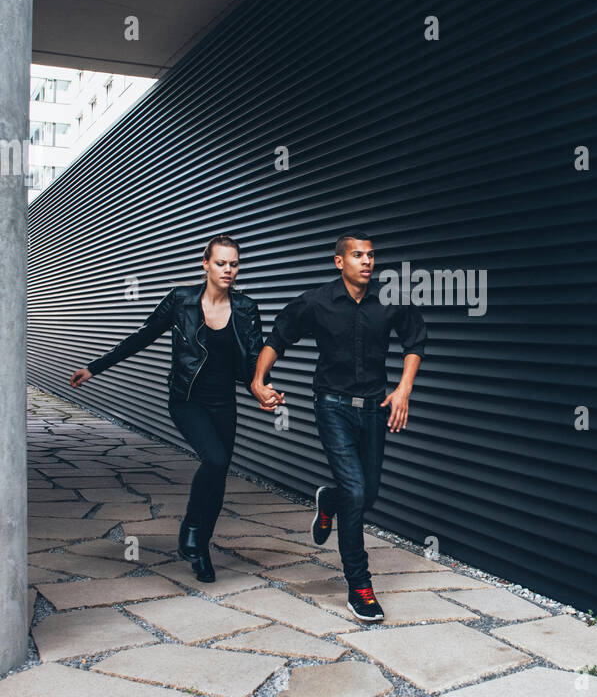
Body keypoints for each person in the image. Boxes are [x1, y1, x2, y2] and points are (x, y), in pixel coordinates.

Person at [70, 235, 275, 583]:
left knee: (218, 471)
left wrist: (263, 387)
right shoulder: (181, 301)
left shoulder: (245, 308)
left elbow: (256, 359)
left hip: (223, 401)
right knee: (215, 459)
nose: (228, 270)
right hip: (186, 399)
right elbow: (142, 335)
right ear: (205, 264)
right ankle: (192, 530)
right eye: (221, 262)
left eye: (234, 264)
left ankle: (200, 546)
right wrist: (95, 367)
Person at [251, 232, 426, 622]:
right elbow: (279, 336)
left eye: (371, 255)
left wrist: (403, 391)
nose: (367, 261)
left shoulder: (390, 299)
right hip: (332, 405)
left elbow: (415, 340)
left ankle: (328, 500)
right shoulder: (317, 302)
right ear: (339, 262)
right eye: (358, 255)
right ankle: (359, 586)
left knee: (368, 495)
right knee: (356, 491)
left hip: (376, 408)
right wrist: (259, 380)